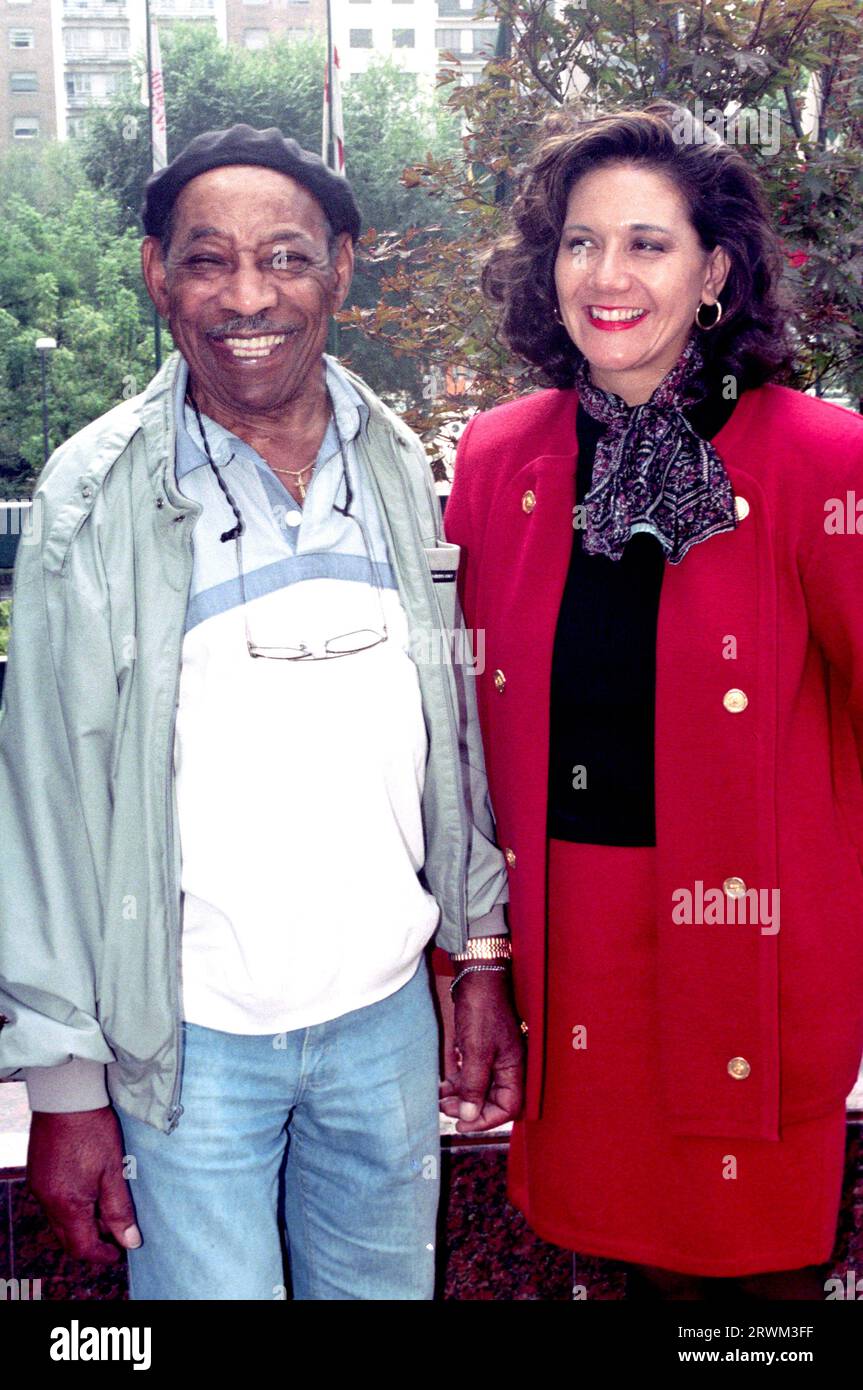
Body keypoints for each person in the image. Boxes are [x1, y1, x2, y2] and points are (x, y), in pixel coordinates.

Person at [0, 124, 524, 1301]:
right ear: (155, 273)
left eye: (284, 258)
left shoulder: (397, 460)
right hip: (185, 1043)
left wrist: (477, 952)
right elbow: (39, 800)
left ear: (339, 267)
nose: (248, 297)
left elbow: (453, 730)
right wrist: (66, 1089)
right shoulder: (94, 496)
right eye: (206, 260)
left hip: (385, 1025)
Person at [442, 103, 863, 1300]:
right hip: (575, 956)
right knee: (596, 1268)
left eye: (645, 242)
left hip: (751, 955)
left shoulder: (821, 460)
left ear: (712, 269)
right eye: (579, 243)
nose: (606, 275)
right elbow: (470, 728)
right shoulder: (498, 456)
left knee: (747, 1305)